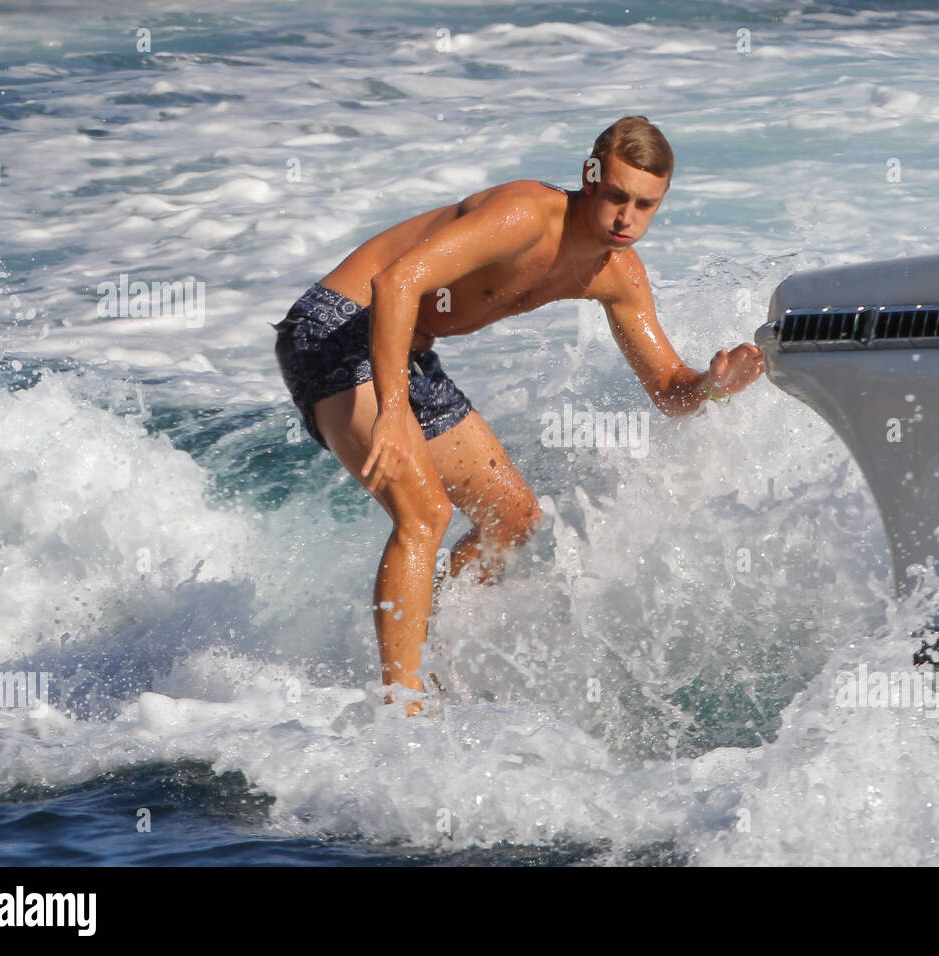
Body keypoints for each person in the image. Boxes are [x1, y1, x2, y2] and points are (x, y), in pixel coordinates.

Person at [273, 116, 764, 714]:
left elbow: (668, 389)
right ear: (590, 176)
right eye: (614, 195)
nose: (624, 218)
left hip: (407, 351)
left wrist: (712, 386)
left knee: (512, 518)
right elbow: (397, 282)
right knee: (426, 513)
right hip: (335, 326)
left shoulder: (618, 275)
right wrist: (392, 410)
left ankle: (430, 661)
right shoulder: (526, 217)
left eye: (644, 205)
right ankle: (399, 711)